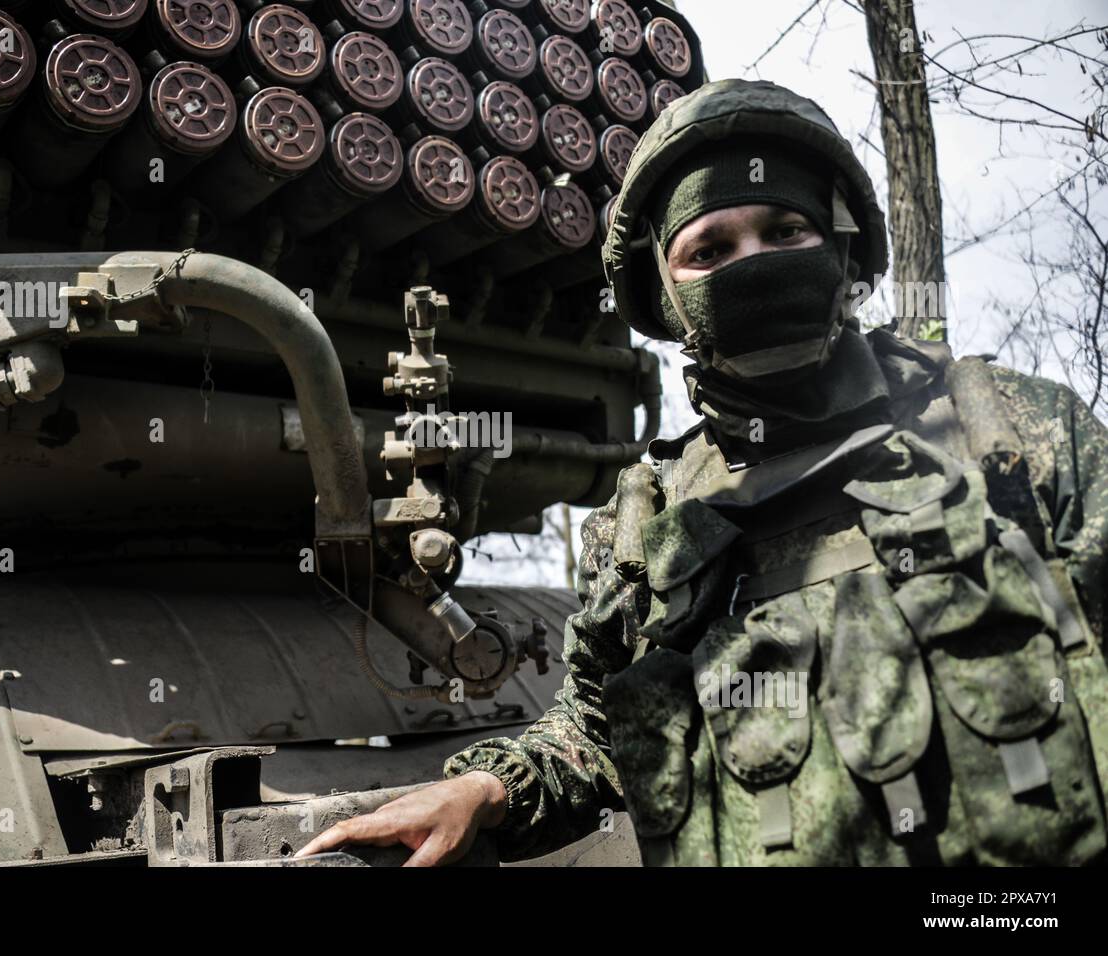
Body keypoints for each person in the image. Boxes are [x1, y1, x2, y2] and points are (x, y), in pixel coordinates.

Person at [296, 78, 1108, 867]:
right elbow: (598, 729)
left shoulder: (1010, 432)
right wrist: (485, 790)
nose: (751, 263)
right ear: (667, 296)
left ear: (841, 246)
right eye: (709, 250)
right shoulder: (651, 522)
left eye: (784, 230)